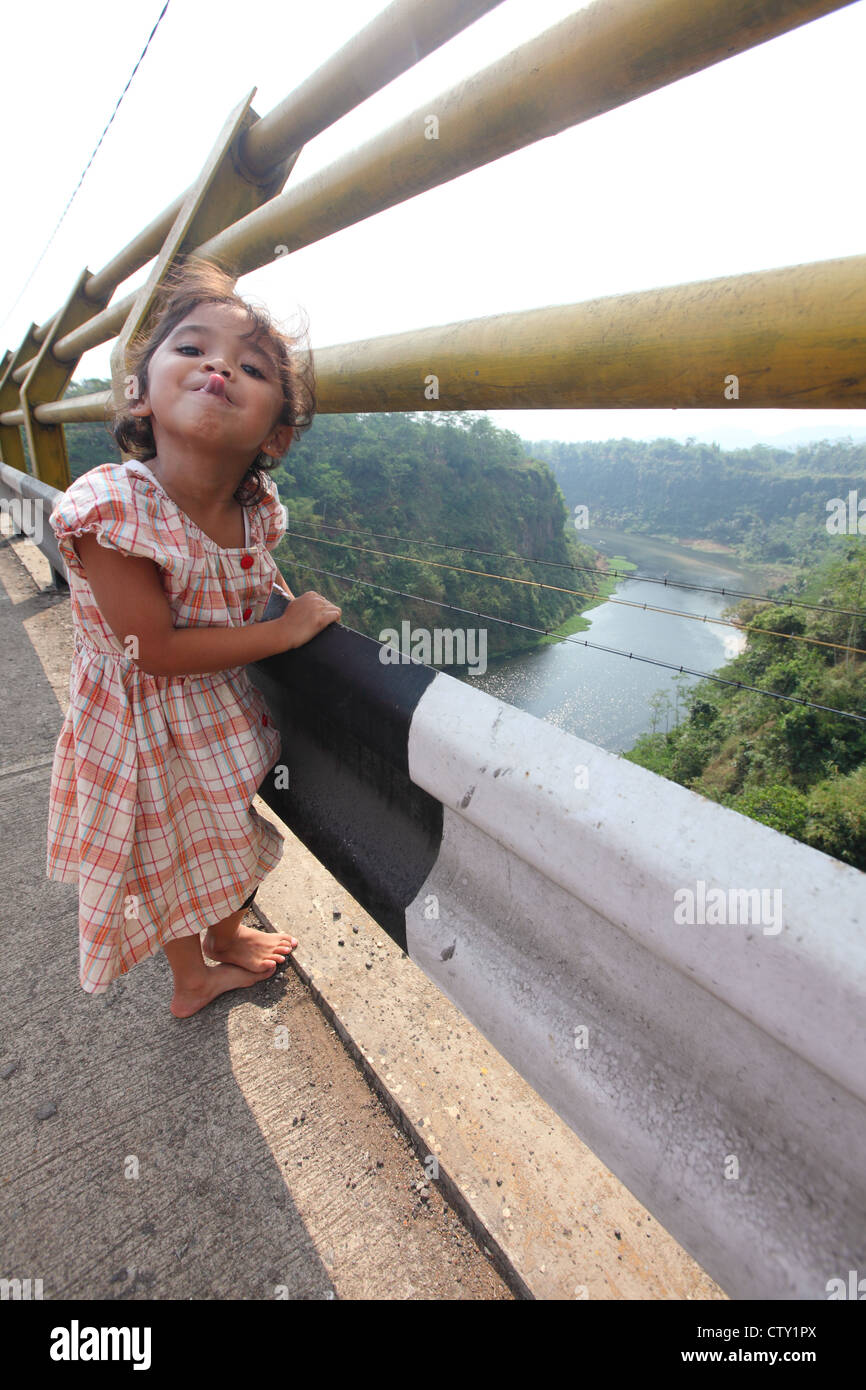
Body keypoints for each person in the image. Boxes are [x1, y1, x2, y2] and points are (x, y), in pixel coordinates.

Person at [46, 257, 341, 1018]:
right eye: (191, 348)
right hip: (138, 719)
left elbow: (246, 582)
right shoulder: (114, 511)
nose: (218, 367)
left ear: (275, 432)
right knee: (168, 854)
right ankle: (192, 978)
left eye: (250, 366)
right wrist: (283, 634)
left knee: (225, 828)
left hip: (211, 707)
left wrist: (274, 602)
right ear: (139, 395)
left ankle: (229, 934)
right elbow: (158, 650)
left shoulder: (255, 509)